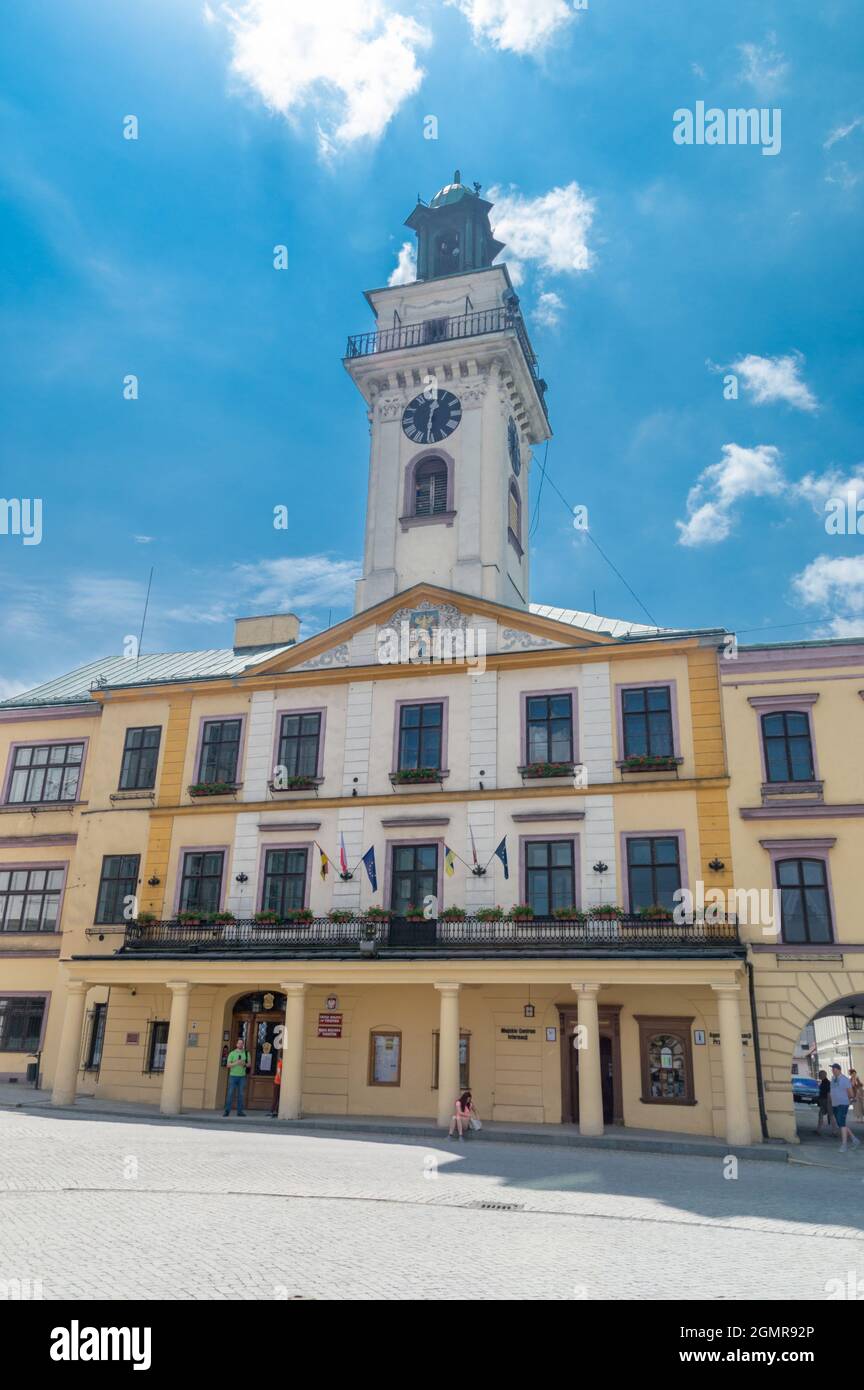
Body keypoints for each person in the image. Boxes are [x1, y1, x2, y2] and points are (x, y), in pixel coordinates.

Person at [829, 1063, 861, 1151]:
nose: (833, 1071)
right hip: (835, 1104)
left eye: (834, 1069)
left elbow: (851, 1093)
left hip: (843, 1104)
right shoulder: (833, 1079)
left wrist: (849, 1098)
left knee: (841, 1123)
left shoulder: (845, 1080)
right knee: (840, 1123)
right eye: (832, 1069)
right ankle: (854, 1139)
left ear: (839, 1070)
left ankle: (844, 1145)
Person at [223, 1036, 249, 1116]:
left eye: (242, 1043)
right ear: (236, 1044)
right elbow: (228, 1065)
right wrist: (236, 1063)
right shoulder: (232, 1053)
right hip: (233, 1076)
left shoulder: (246, 1053)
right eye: (239, 1043)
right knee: (230, 1093)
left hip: (242, 1076)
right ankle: (227, 1111)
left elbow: (249, 1064)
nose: (240, 1045)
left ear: (243, 1044)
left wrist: (243, 1063)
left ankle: (240, 1112)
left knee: (241, 1094)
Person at [816, 1070, 838, 1135]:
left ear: (824, 1075)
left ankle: (835, 1131)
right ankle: (818, 1130)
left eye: (820, 1075)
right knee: (821, 1114)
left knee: (831, 1116)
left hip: (827, 1101)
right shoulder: (823, 1082)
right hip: (823, 1101)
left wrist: (829, 1103)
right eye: (819, 1075)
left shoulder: (827, 1083)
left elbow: (829, 1093)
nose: (819, 1076)